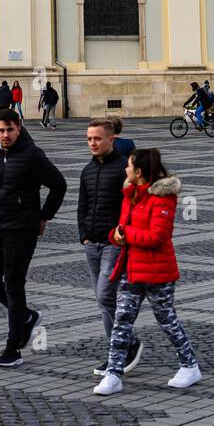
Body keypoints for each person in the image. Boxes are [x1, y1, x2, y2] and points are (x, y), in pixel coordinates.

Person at [0, 112, 67, 368]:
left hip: (22, 230)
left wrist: (44, 216)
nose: (5, 135)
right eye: (0, 130)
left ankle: (13, 349)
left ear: (18, 128)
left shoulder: (32, 155)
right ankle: (27, 317)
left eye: (9, 129)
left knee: (13, 284)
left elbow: (59, 184)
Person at [94, 148, 201, 396]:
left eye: (129, 166)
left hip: (158, 273)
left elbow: (157, 236)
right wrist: (116, 235)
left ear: (139, 172)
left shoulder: (163, 198)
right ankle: (113, 373)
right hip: (130, 269)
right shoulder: (130, 195)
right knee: (121, 322)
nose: (126, 169)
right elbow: (122, 228)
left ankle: (190, 365)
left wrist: (126, 234)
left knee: (167, 321)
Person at [78, 120, 142, 377]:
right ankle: (122, 347)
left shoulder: (122, 171)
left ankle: (122, 346)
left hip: (114, 244)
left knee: (105, 295)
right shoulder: (87, 170)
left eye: (97, 138)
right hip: (91, 243)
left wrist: (123, 232)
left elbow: (135, 205)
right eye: (89, 139)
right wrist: (83, 236)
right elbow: (82, 205)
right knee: (104, 300)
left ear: (111, 139)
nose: (93, 143)